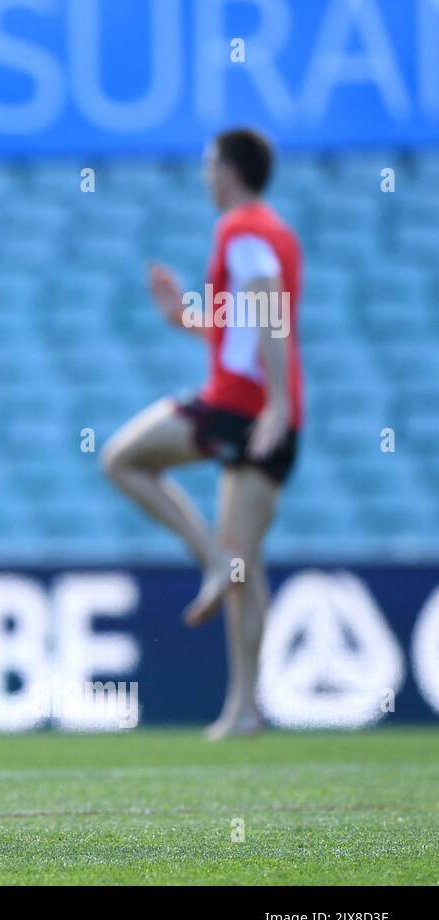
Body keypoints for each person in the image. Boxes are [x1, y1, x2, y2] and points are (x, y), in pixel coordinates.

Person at [101, 128, 303, 740]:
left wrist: (274, 404)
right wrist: (182, 317)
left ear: (231, 170)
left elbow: (267, 309)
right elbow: (242, 328)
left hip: (240, 406)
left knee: (122, 459)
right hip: (267, 409)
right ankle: (246, 708)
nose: (205, 175)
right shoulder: (276, 230)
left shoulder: (241, 229)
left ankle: (210, 560)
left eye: (211, 164)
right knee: (249, 566)